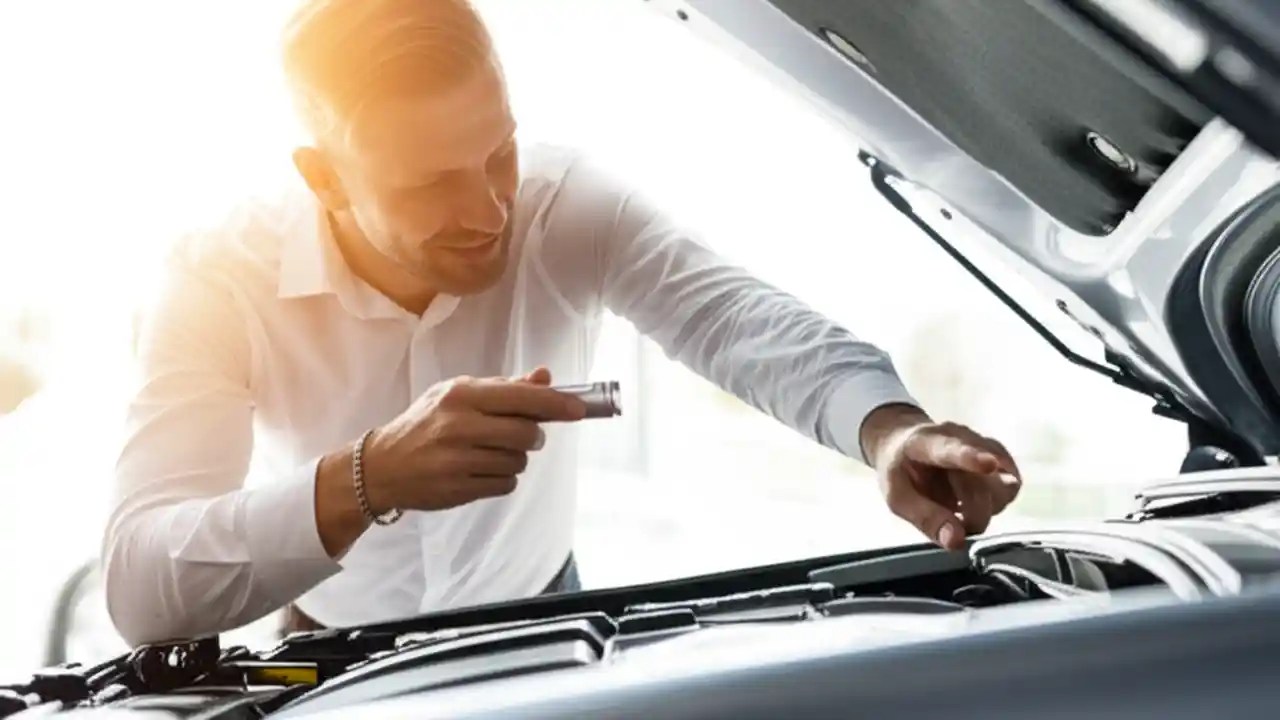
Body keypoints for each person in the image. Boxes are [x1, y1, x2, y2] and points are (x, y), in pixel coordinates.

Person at [102, 0, 1022, 647]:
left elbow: (734, 318)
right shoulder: (214, 277)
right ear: (326, 177)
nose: (492, 208)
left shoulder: (562, 200)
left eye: (497, 149)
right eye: (430, 183)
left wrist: (889, 428)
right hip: (325, 646)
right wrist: (367, 477)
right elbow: (142, 588)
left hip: (547, 616)